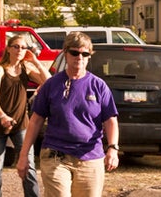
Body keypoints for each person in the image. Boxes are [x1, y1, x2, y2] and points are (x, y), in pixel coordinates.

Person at [17, 32, 119, 197]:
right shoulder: (51, 85)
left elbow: (110, 120)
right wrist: (23, 156)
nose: (80, 57)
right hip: (56, 156)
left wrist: (113, 148)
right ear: (65, 53)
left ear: (89, 56)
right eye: (75, 52)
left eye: (85, 54)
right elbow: (35, 121)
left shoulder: (98, 86)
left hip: (90, 157)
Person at [0, 33, 49, 197]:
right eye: (16, 47)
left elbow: (48, 82)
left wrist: (35, 61)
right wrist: (2, 116)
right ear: (8, 49)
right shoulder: (0, 69)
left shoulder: (26, 69)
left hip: (21, 124)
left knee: (28, 164)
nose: (20, 50)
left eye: (23, 47)